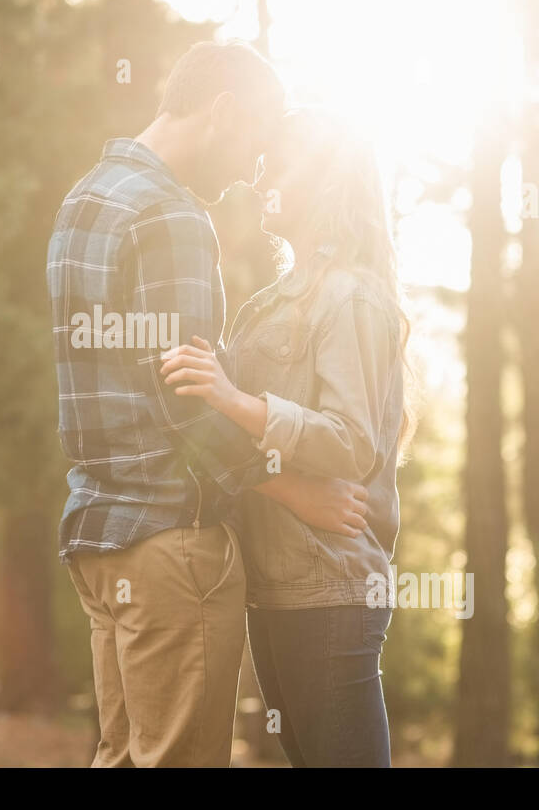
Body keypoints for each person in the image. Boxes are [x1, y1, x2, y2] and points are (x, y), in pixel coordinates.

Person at [47, 43, 371, 767]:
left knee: (124, 757)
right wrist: (296, 491)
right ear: (223, 113)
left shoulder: (87, 199)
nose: (259, 166)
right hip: (172, 545)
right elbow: (188, 404)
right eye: (259, 138)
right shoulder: (173, 220)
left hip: (101, 539)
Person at [159, 106, 416, 766]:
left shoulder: (352, 298)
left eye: (280, 160)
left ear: (325, 181)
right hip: (272, 585)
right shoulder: (269, 304)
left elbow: (352, 443)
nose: (262, 173)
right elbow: (228, 437)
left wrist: (237, 399)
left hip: (330, 588)